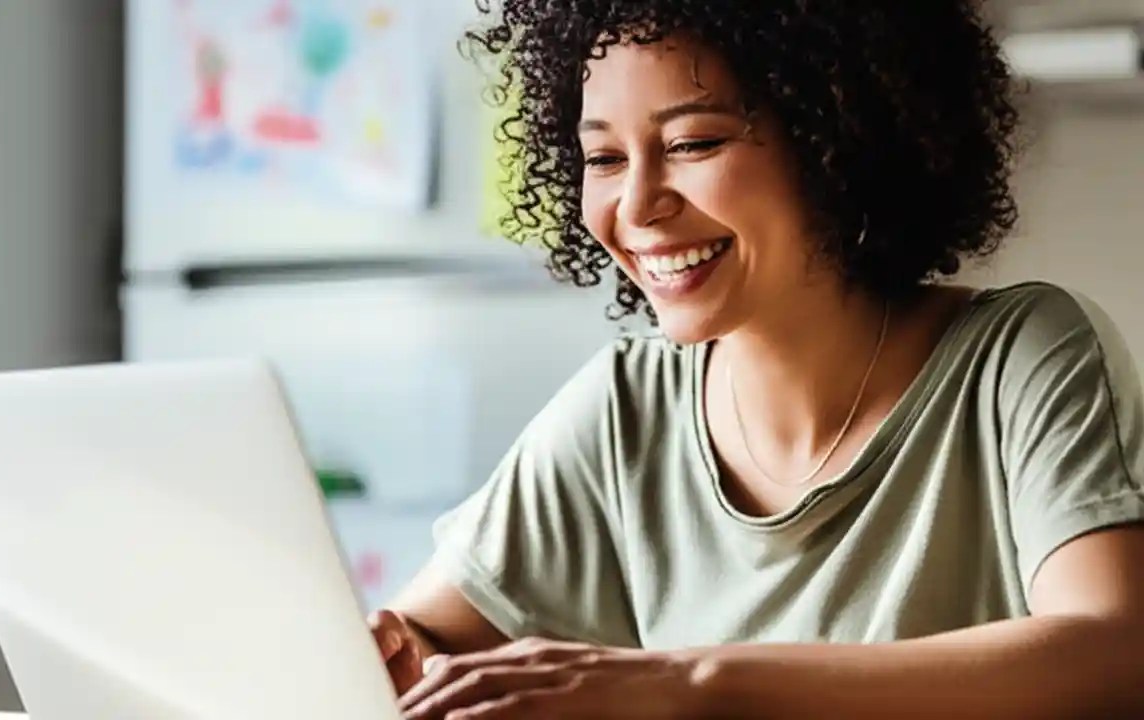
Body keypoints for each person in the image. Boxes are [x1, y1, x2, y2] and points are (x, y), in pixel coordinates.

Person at [369, 2, 1144, 718]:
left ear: (838, 140)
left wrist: (690, 682)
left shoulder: (1020, 358)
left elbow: (1113, 649)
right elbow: (428, 641)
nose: (636, 207)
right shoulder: (624, 408)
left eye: (692, 144)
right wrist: (397, 659)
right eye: (603, 158)